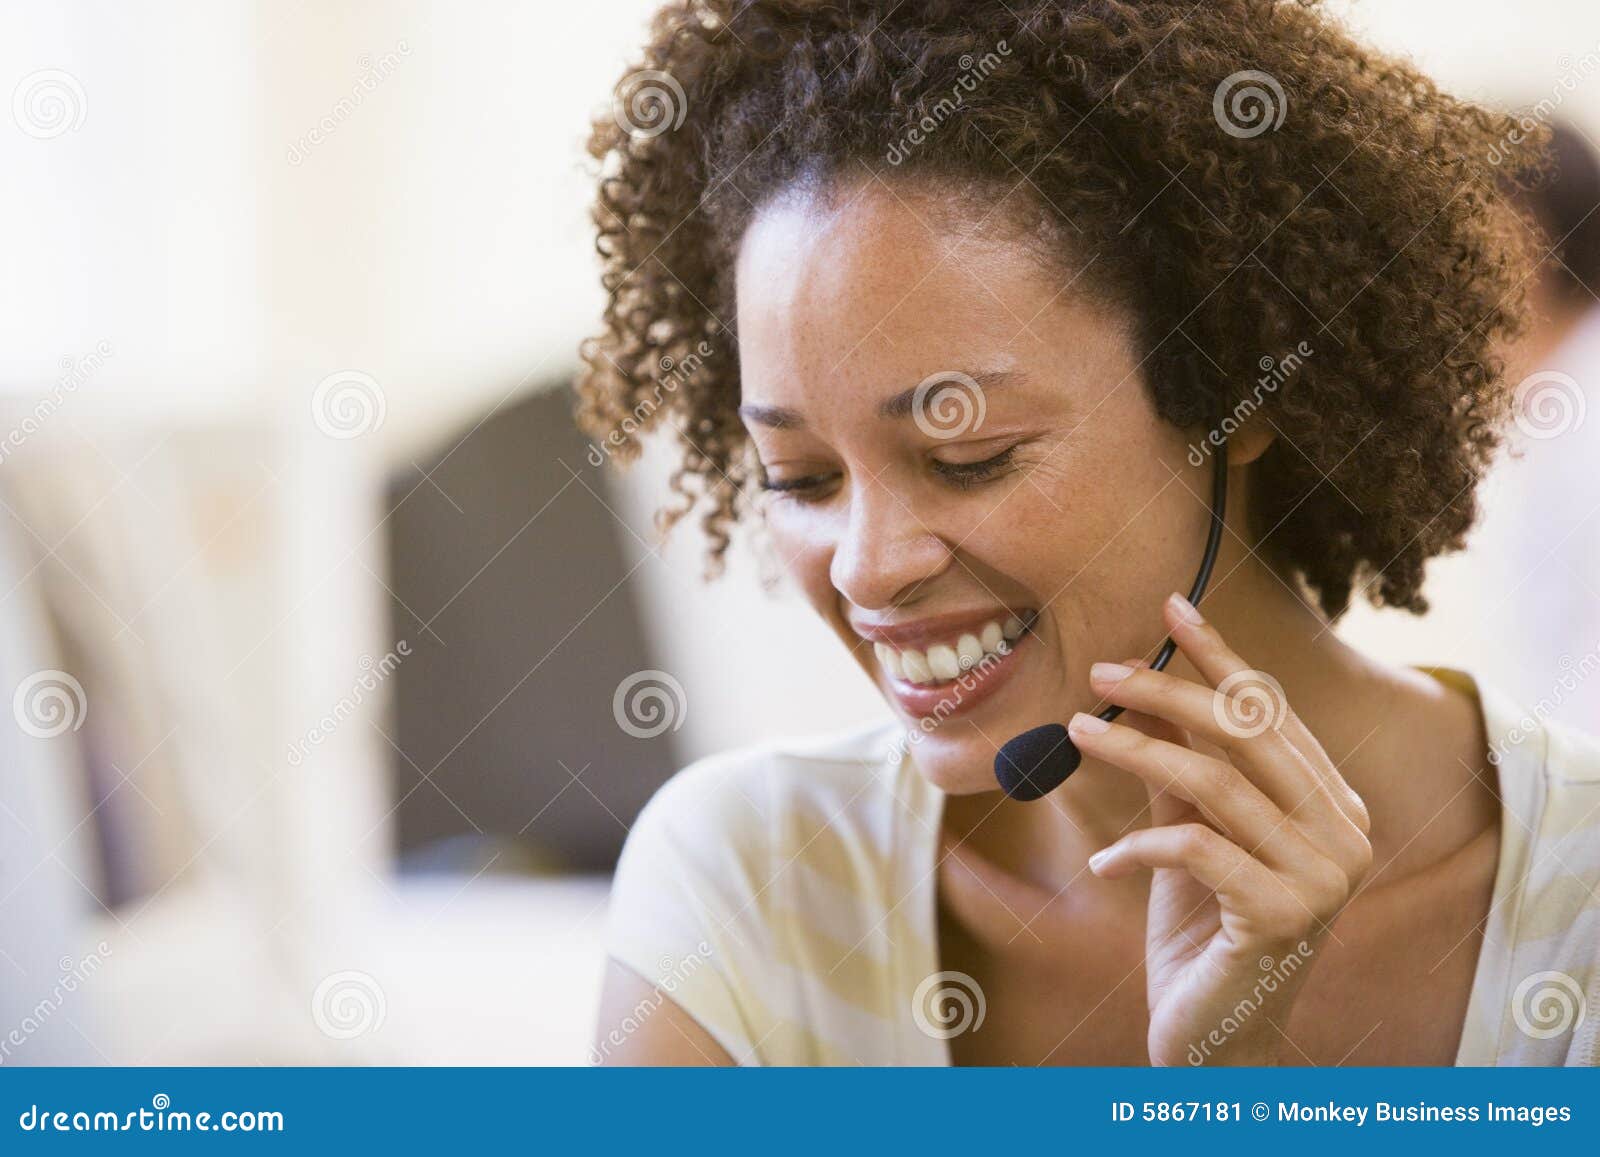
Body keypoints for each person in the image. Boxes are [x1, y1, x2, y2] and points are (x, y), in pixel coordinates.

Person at [576, 0, 1600, 1066]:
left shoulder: (1574, 905)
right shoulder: (745, 884)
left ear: (1228, 391)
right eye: (802, 477)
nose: (868, 568)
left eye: (968, 456)